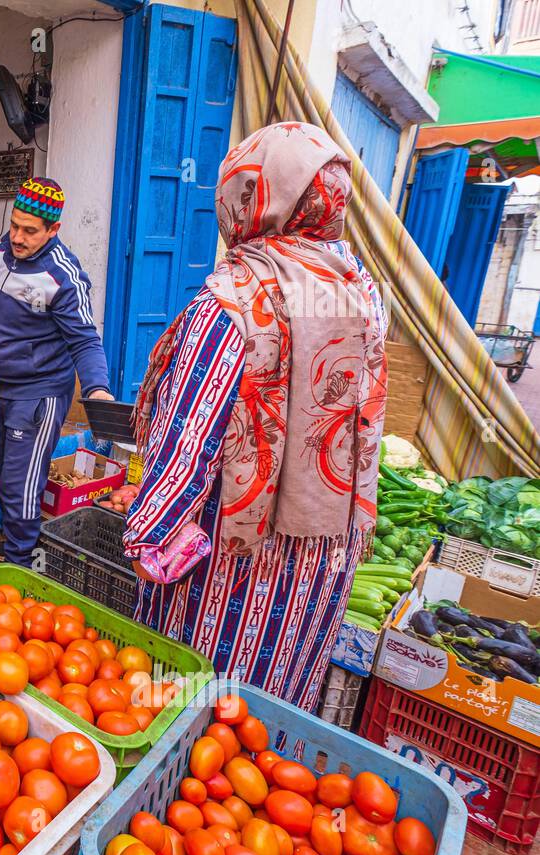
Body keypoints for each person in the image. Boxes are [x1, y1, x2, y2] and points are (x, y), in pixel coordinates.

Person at [123, 122, 388, 712]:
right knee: (271, 700)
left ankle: (175, 786)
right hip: (323, 548)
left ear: (249, 197)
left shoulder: (233, 300)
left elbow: (191, 442)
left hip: (233, 556)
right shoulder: (360, 290)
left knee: (195, 703)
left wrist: (148, 534)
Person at [0, 177, 114, 565]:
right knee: (0, 471)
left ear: (53, 229)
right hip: (5, 388)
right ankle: (16, 544)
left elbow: (85, 340)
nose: (17, 237)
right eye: (14, 226)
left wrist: (97, 389)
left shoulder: (62, 277)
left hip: (40, 393)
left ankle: (23, 563)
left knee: (20, 483)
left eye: (30, 231)